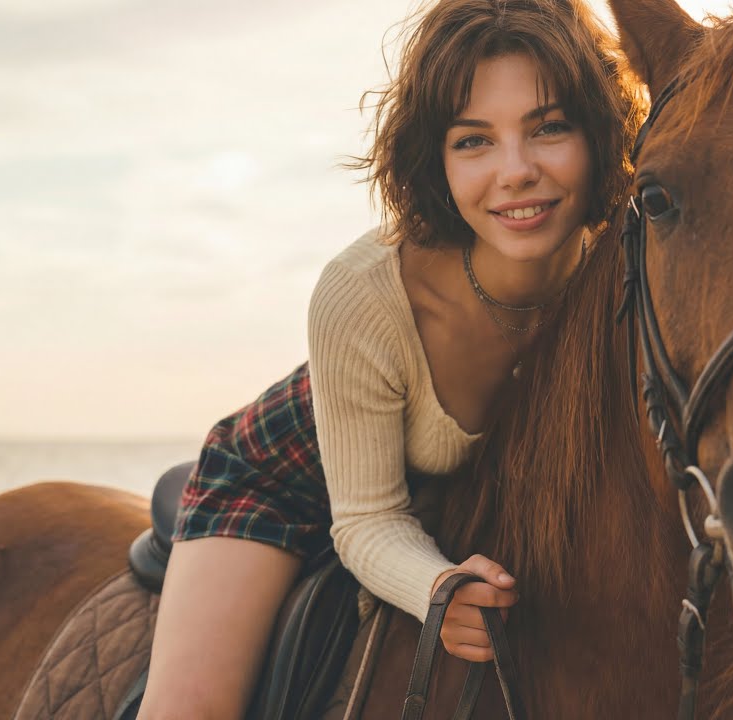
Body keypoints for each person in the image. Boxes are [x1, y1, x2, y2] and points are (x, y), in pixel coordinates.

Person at [137, 0, 643, 716]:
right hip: (292, 480)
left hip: (467, 491)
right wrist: (439, 591)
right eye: (474, 141)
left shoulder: (623, 263)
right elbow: (368, 519)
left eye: (549, 128)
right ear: (435, 160)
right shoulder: (364, 294)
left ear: (600, 131)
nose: (516, 171)